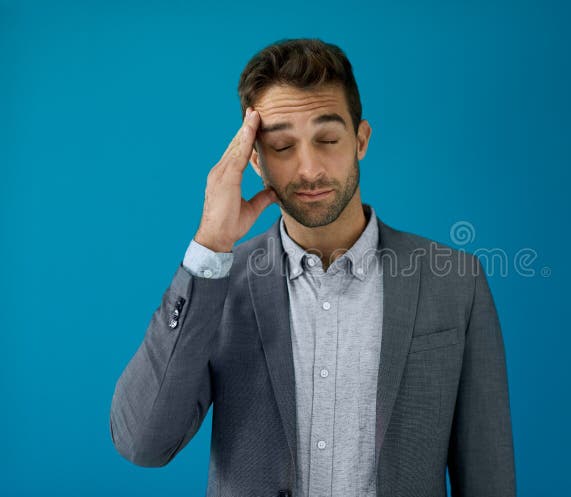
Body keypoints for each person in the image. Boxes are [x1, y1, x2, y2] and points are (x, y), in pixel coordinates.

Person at [110, 38, 516, 497]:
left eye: (327, 139)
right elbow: (142, 443)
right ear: (256, 161)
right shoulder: (219, 285)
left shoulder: (456, 283)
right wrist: (211, 244)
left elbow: (489, 476)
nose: (309, 168)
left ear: (360, 140)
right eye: (282, 147)